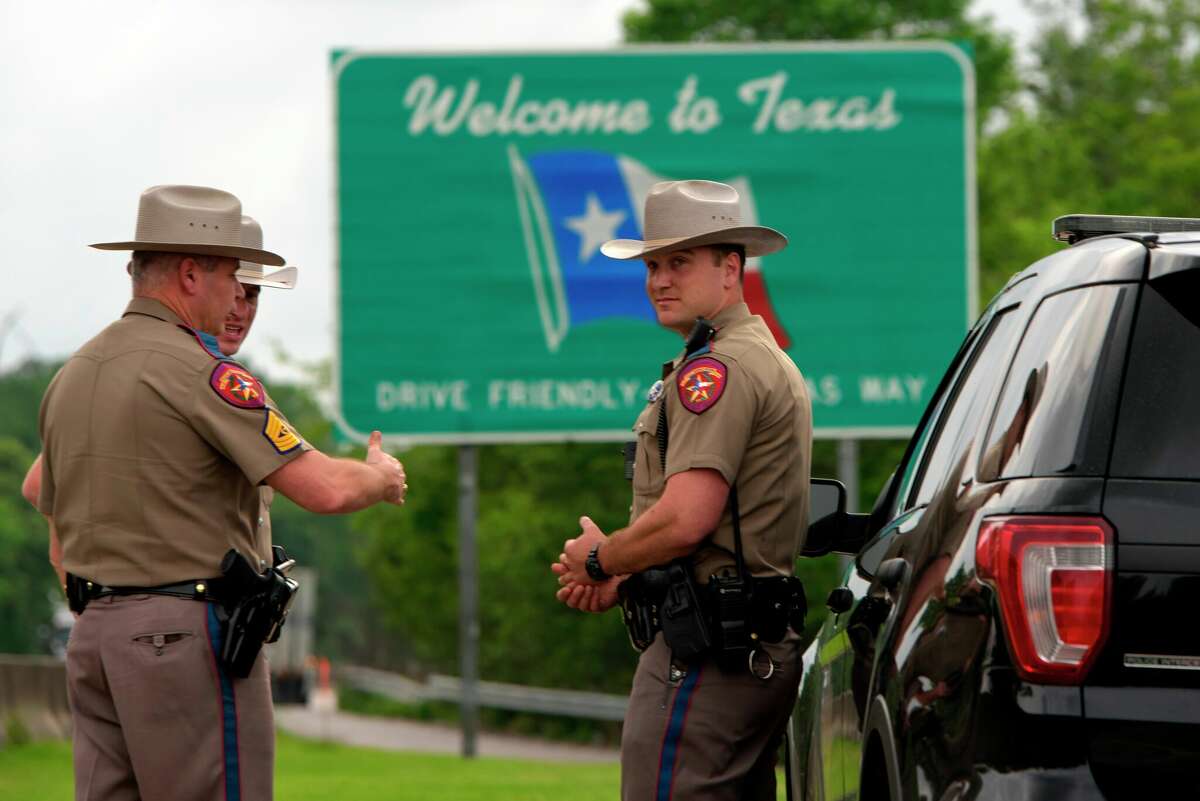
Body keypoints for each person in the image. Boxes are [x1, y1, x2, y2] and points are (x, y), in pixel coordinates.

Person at [33, 184, 406, 801]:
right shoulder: (202, 373)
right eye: (234, 276)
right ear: (188, 274)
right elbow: (322, 489)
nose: (239, 293)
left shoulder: (73, 375)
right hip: (183, 639)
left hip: (94, 637)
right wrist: (381, 475)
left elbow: (55, 531)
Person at [552, 180, 812, 800]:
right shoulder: (757, 356)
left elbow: (687, 520)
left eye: (679, 262)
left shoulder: (715, 371)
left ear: (730, 269)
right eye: (652, 265)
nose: (658, 280)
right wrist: (631, 575)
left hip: (709, 656)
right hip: (742, 647)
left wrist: (599, 560)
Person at [21, 214, 298, 586]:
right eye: (233, 288)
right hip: (170, 619)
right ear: (192, 281)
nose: (239, 309)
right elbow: (38, 484)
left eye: (251, 295)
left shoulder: (208, 376)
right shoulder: (173, 372)